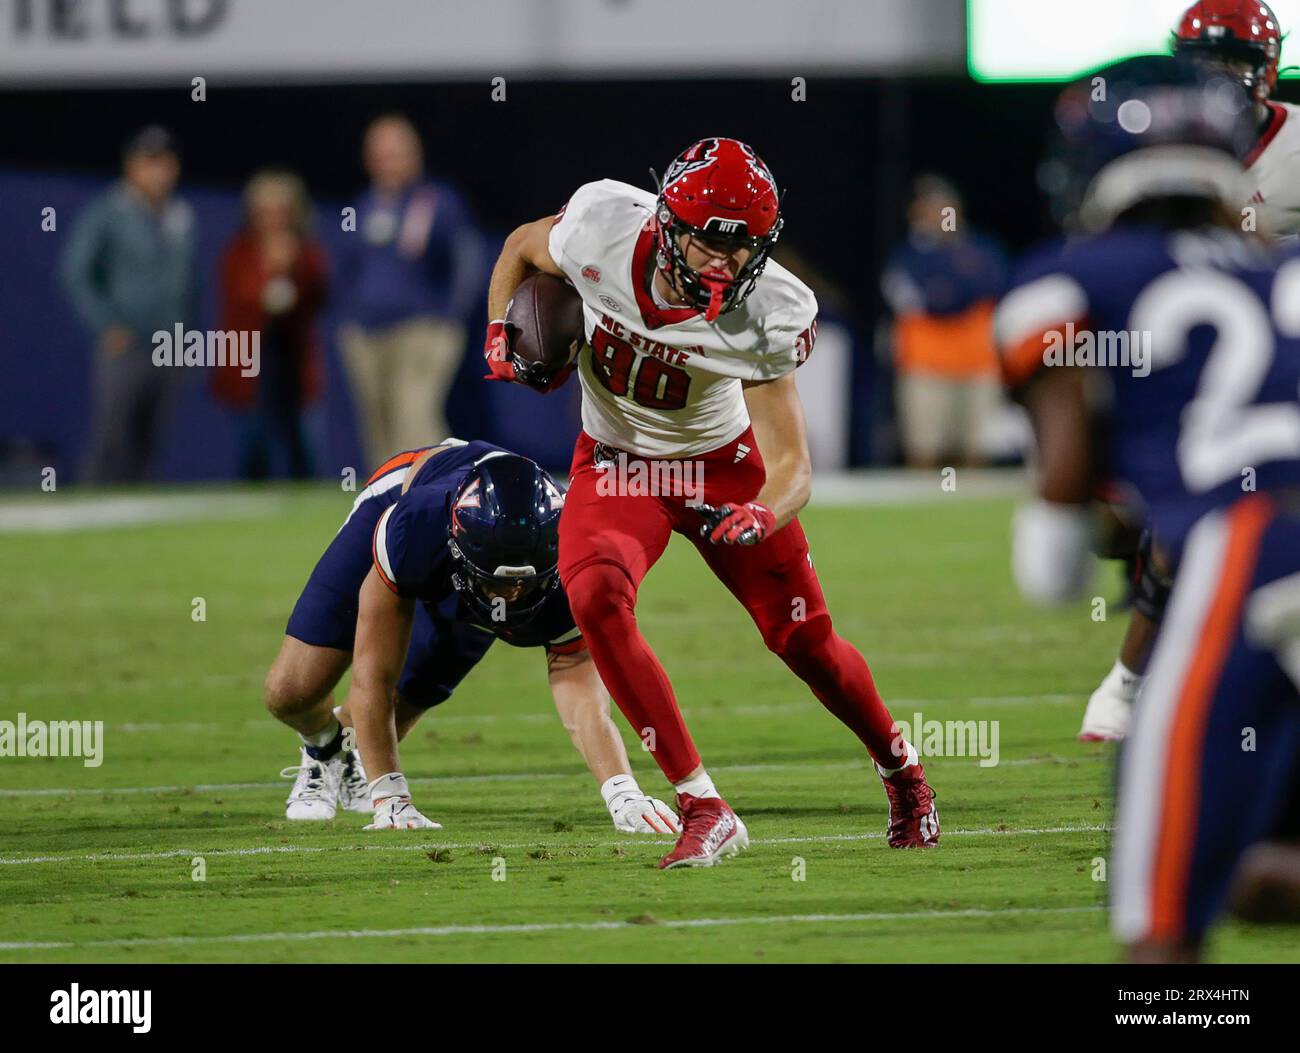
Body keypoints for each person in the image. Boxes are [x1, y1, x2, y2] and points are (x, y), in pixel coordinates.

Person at [483, 138, 939, 869]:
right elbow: (518, 248)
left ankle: (903, 772)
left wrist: (766, 510)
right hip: (617, 460)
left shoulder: (768, 310)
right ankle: (703, 804)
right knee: (594, 592)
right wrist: (500, 328)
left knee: (804, 642)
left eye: (745, 249)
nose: (727, 265)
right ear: (668, 225)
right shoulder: (601, 222)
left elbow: (792, 464)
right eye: (713, 246)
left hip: (721, 469)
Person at [995, 56, 1300, 961]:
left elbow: (1052, 552)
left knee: (1162, 936)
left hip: (1249, 554)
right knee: (1268, 871)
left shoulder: (1068, 277)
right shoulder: (1283, 269)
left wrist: (1080, 517)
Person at [263, 438, 679, 835]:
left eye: (525, 584)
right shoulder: (414, 528)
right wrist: (390, 798)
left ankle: (344, 755)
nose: (511, 596)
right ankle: (321, 747)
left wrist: (622, 793)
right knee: (291, 690)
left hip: (482, 559)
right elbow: (372, 672)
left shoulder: (578, 558)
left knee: (401, 705)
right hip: (402, 499)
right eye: (497, 584)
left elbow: (581, 693)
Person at [1080, 0, 1300, 741]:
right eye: (1200, 65)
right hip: (1172, 363)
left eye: (1229, 68)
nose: (1212, 83)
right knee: (1122, 527)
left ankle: (1133, 680)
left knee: (1204, 528)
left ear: (1266, 72)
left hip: (1277, 369)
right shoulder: (1156, 140)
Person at [337, 115, 482, 468]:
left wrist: (451, 319)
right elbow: (347, 268)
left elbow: (468, 263)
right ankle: (387, 499)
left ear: (414, 154)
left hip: (422, 328)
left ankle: (433, 493)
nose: (388, 162)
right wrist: (350, 320)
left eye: (396, 152)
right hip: (366, 332)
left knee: (414, 414)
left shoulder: (438, 201)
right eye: (380, 154)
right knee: (378, 422)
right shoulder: (361, 206)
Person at [60, 125, 196, 484]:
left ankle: (134, 510)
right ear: (131, 166)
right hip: (127, 342)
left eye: (165, 162)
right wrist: (106, 324)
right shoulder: (108, 212)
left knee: (150, 436)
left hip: (170, 343)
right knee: (113, 432)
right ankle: (92, 502)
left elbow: (187, 283)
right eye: (149, 162)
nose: (159, 171)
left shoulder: (180, 215)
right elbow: (76, 273)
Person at [881, 175, 1008, 468]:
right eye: (929, 208)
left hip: (978, 362)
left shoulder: (981, 250)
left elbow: (991, 285)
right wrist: (954, 293)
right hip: (926, 364)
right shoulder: (907, 257)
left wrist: (949, 291)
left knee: (977, 451)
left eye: (942, 208)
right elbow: (924, 300)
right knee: (925, 451)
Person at [213, 170, 328, 480]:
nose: (274, 220)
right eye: (266, 212)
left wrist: (293, 267)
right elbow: (242, 299)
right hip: (250, 365)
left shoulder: (306, 252)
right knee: (254, 443)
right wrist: (270, 269)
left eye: (282, 212)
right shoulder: (239, 252)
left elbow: (318, 296)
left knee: (304, 444)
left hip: (293, 366)